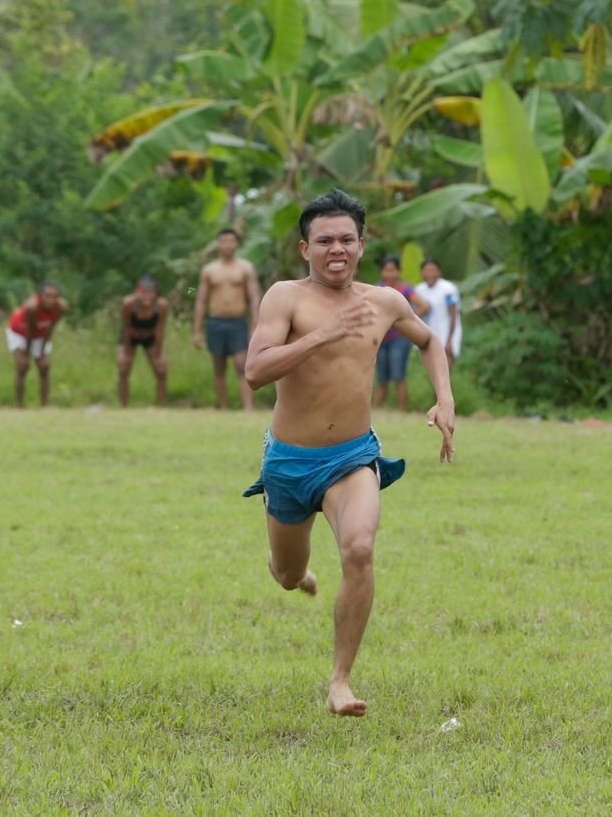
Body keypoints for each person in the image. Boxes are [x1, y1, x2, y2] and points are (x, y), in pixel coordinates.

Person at [242, 189, 455, 717]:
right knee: (289, 576)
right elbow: (256, 370)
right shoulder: (284, 297)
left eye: (345, 239)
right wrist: (323, 335)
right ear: (304, 248)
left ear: (361, 245)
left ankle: (340, 681)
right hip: (291, 460)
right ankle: (296, 570)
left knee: (359, 551)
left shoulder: (384, 301)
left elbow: (429, 342)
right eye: (324, 241)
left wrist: (445, 400)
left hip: (353, 456)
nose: (335, 249)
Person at [192, 228, 260, 410]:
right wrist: (197, 330)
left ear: (236, 243)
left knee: (241, 364)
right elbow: (200, 300)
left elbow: (254, 297)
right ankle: (223, 406)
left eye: (231, 241)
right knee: (219, 365)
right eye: (223, 241)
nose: (227, 245)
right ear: (218, 244)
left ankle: (248, 406)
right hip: (215, 322)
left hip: (237, 321)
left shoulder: (246, 268)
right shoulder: (209, 270)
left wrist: (256, 323)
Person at [372, 256, 429, 410]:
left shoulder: (405, 289)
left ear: (399, 271)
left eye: (393, 270)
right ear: (382, 272)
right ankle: (375, 410)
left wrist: (407, 323)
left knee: (398, 375)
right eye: (386, 270)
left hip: (400, 339)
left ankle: (401, 410)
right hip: (382, 339)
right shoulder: (377, 289)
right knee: (381, 377)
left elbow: (424, 306)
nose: (389, 274)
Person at [7, 282, 67, 408]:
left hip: (40, 333)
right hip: (20, 332)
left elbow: (51, 328)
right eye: (47, 296)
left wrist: (42, 351)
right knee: (23, 366)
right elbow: (29, 331)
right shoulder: (32, 307)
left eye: (54, 297)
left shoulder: (61, 307)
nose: (50, 300)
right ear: (40, 296)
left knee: (44, 366)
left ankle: (44, 405)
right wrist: (27, 354)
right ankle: (19, 405)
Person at [117, 275, 170, 407]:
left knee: (161, 370)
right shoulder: (128, 304)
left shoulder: (162, 305)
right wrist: (125, 353)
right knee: (123, 369)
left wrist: (159, 355)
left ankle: (161, 406)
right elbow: (127, 328)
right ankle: (124, 407)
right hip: (130, 336)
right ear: (137, 292)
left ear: (156, 294)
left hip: (150, 336)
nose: (147, 296)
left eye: (150, 293)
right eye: (143, 293)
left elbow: (159, 330)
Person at [414, 258, 462, 367]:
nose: (430, 274)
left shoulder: (448, 289)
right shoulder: (419, 289)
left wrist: (450, 340)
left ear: (439, 272)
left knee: (445, 370)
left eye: (433, 270)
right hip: (428, 336)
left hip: (446, 334)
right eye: (427, 270)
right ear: (422, 273)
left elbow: (453, 315)